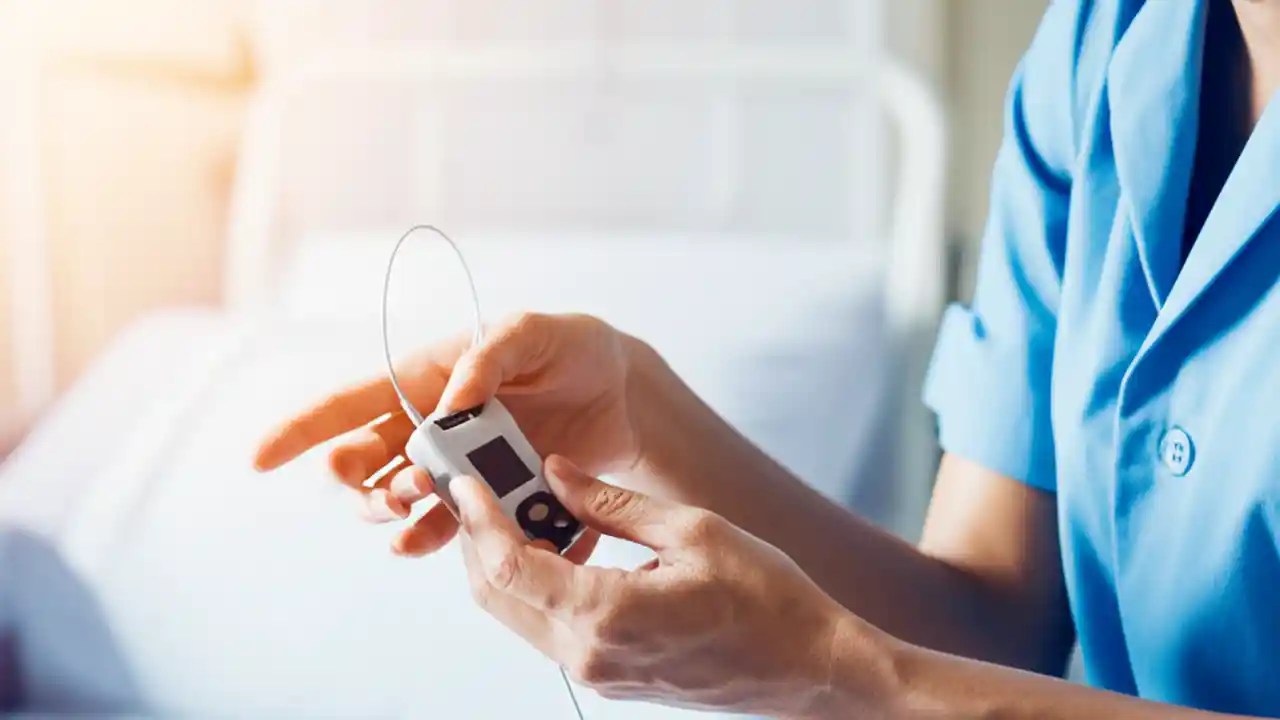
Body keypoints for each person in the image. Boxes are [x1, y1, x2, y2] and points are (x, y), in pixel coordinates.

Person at [254, 1, 1280, 716]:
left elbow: (906, 678)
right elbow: (988, 633)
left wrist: (838, 677)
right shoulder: (1097, 50)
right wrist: (636, 411)